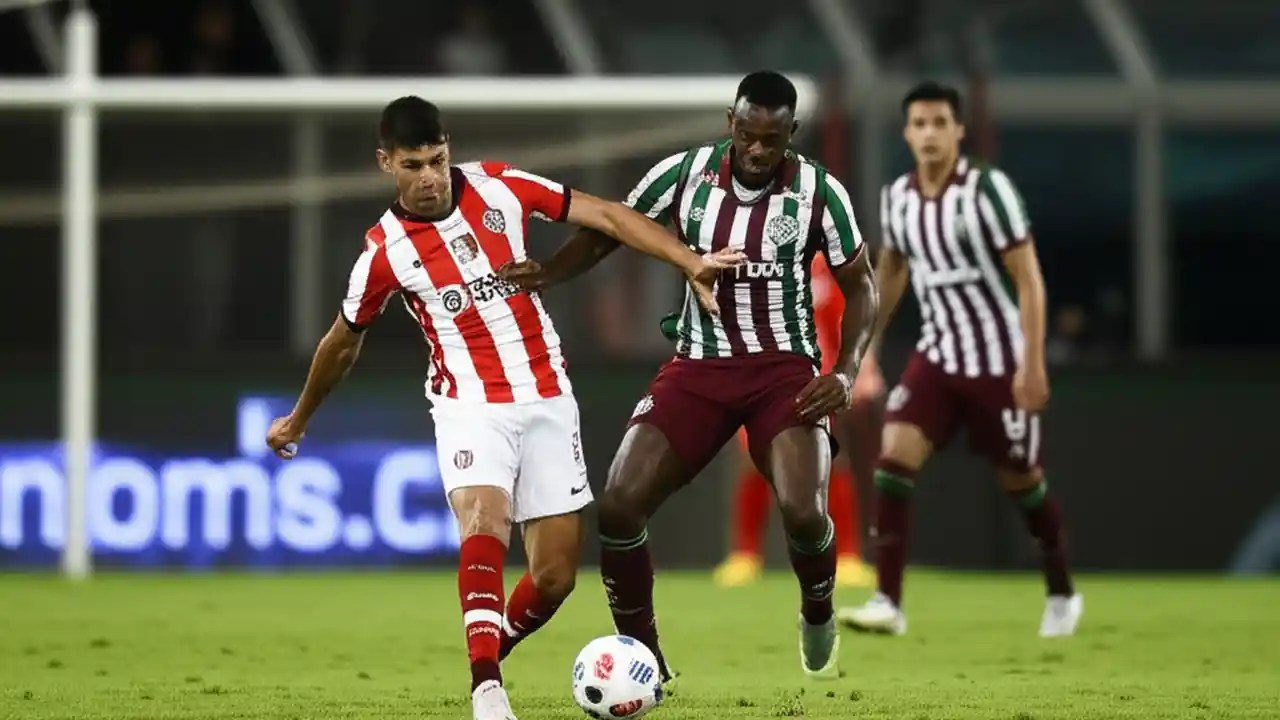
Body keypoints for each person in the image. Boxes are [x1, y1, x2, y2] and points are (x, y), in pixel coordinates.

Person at [264, 96, 743, 720]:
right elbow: (341, 343)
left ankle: (491, 644)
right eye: (413, 165)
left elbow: (606, 216)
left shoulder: (502, 187)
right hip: (468, 405)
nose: (430, 177)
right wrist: (299, 418)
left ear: (449, 148)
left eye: (438, 159)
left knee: (555, 578)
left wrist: (687, 260)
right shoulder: (384, 253)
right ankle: (487, 689)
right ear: (385, 163)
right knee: (485, 517)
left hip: (546, 397)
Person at [499, 71, 879, 682]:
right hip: (698, 365)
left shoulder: (819, 192)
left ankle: (817, 610)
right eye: (748, 136)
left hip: (784, 370)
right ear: (731, 124)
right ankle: (644, 659)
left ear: (792, 134)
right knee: (619, 506)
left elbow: (862, 285)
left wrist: (847, 368)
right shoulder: (684, 174)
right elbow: (612, 230)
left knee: (805, 513)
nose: (758, 152)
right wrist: (549, 272)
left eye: (772, 140)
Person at [835, 81, 1083, 638]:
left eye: (938, 123)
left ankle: (1062, 589)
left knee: (1020, 478)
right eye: (918, 124)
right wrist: (869, 353)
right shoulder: (897, 196)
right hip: (939, 356)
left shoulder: (987, 191)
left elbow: (1029, 279)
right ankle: (888, 602)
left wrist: (1033, 363)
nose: (928, 134)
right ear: (907, 132)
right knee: (894, 458)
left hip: (999, 359)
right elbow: (892, 272)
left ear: (958, 130)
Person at [712, 254, 879, 589]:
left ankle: (847, 555)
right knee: (752, 458)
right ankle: (745, 555)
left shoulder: (826, 263)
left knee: (832, 458)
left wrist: (862, 366)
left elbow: (846, 313)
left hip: (815, 374)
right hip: (756, 371)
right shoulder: (745, 255)